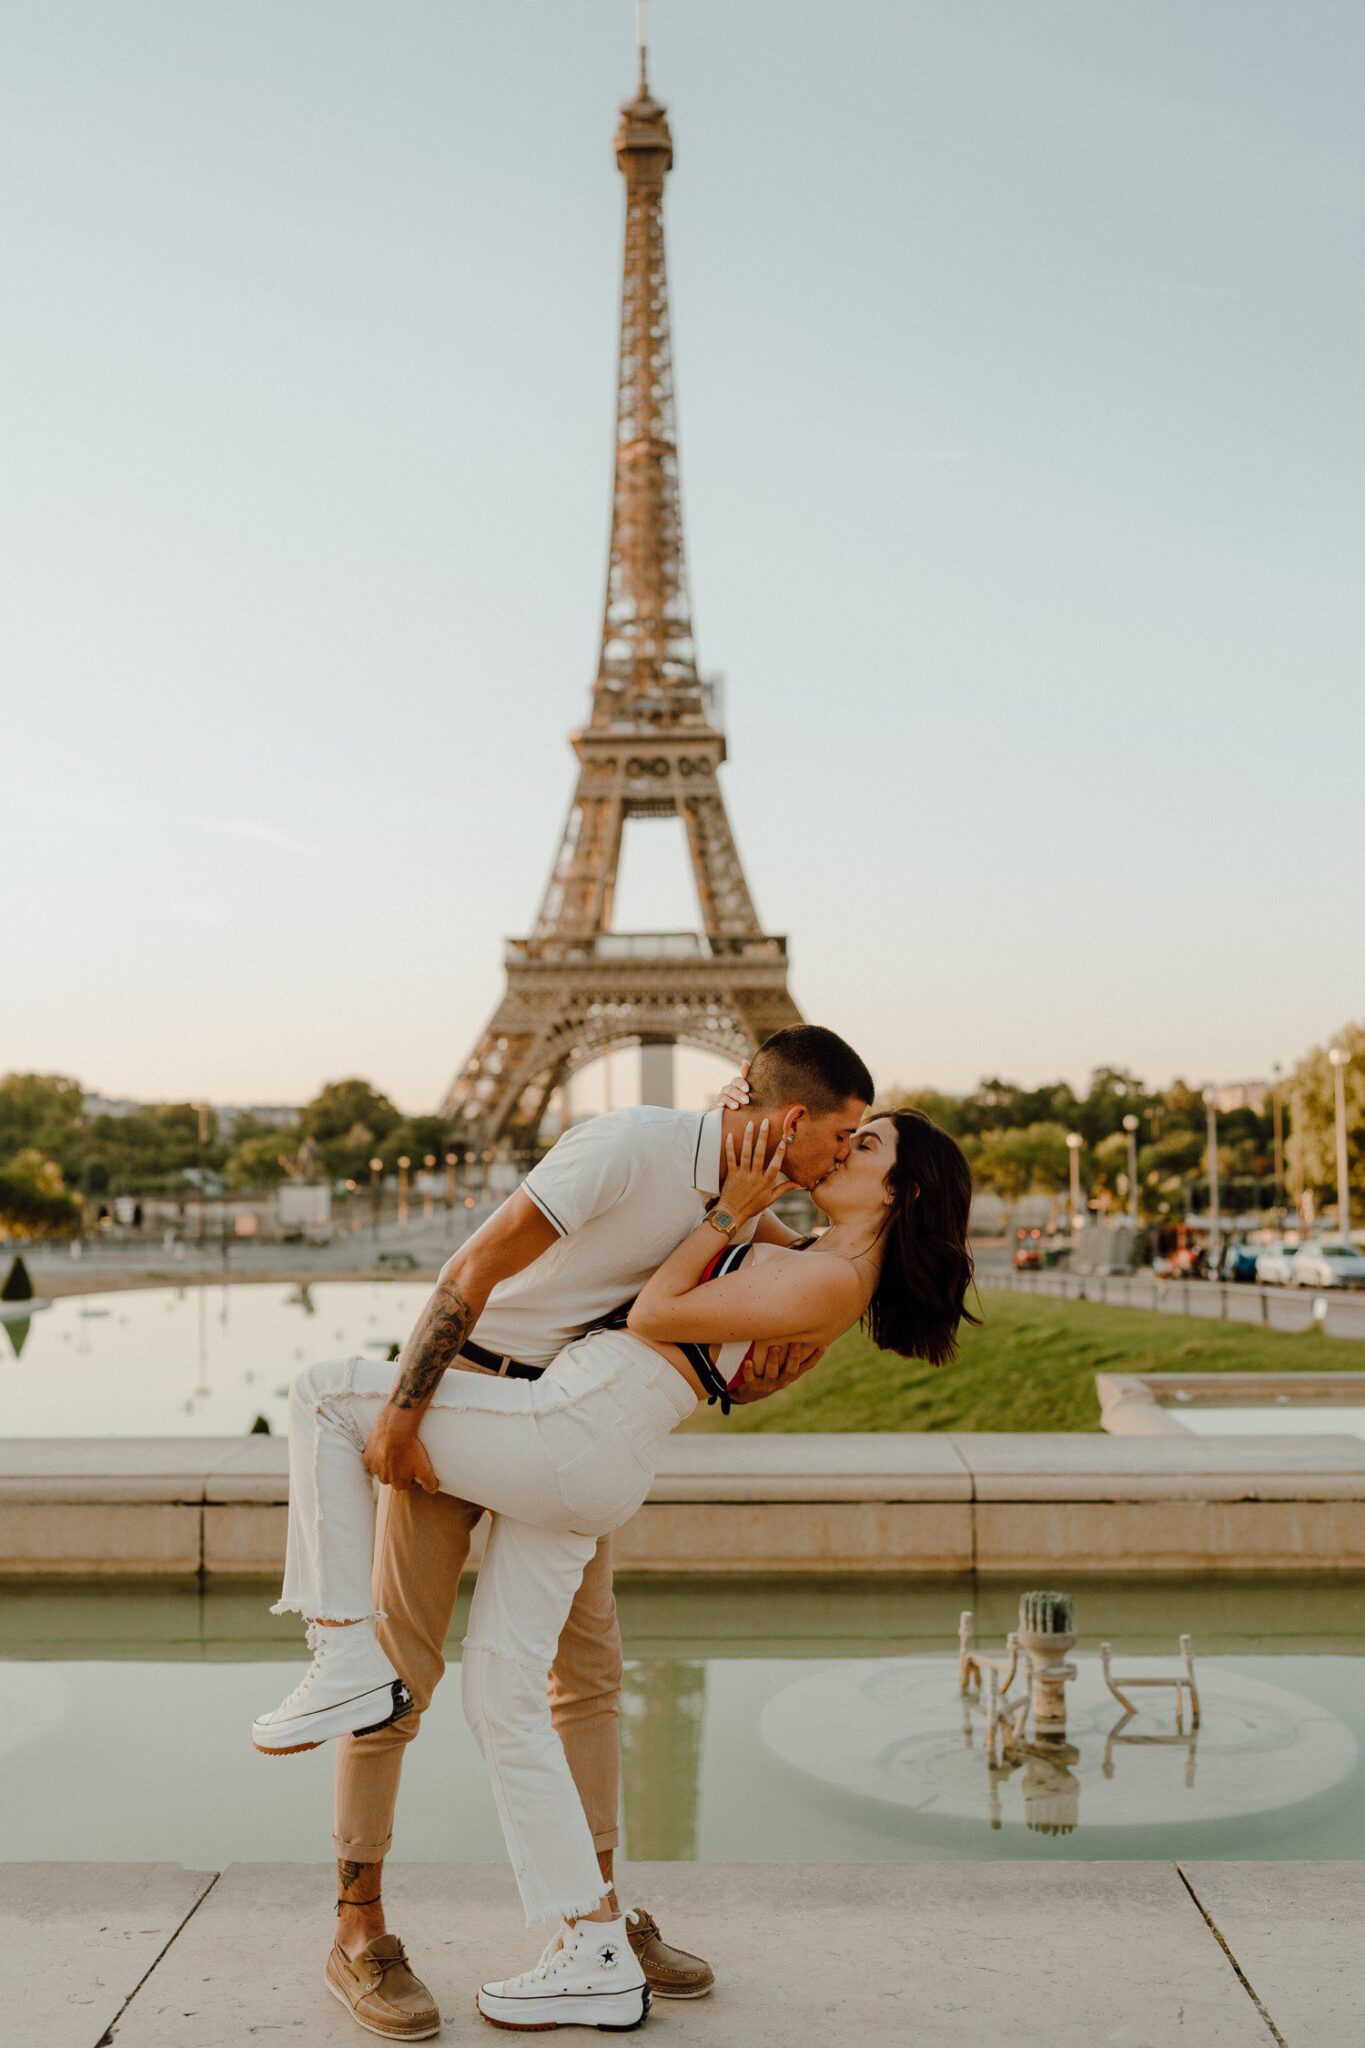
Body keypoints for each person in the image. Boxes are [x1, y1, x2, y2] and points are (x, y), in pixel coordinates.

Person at [254, 1072, 977, 2035]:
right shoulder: (669, 1164)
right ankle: (406, 1930)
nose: (845, 1149)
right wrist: (733, 1182)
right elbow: (495, 1270)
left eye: (866, 1144)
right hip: (493, 1398)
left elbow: (669, 1319)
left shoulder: (797, 1248)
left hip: (560, 1430)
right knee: (461, 1687)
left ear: (898, 1192)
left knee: (555, 1673)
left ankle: (581, 1915)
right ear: (781, 1114)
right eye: (847, 1132)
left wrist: (727, 1217)